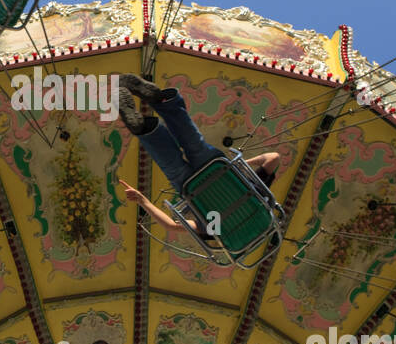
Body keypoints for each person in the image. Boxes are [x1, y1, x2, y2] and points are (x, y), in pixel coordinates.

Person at [115, 74, 281, 241]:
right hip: (191, 187)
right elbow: (171, 226)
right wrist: (142, 201)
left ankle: (163, 101)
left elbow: (273, 158)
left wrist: (240, 165)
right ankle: (143, 129)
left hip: (216, 169)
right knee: (169, 160)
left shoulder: (260, 200)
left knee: (192, 141)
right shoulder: (218, 231)